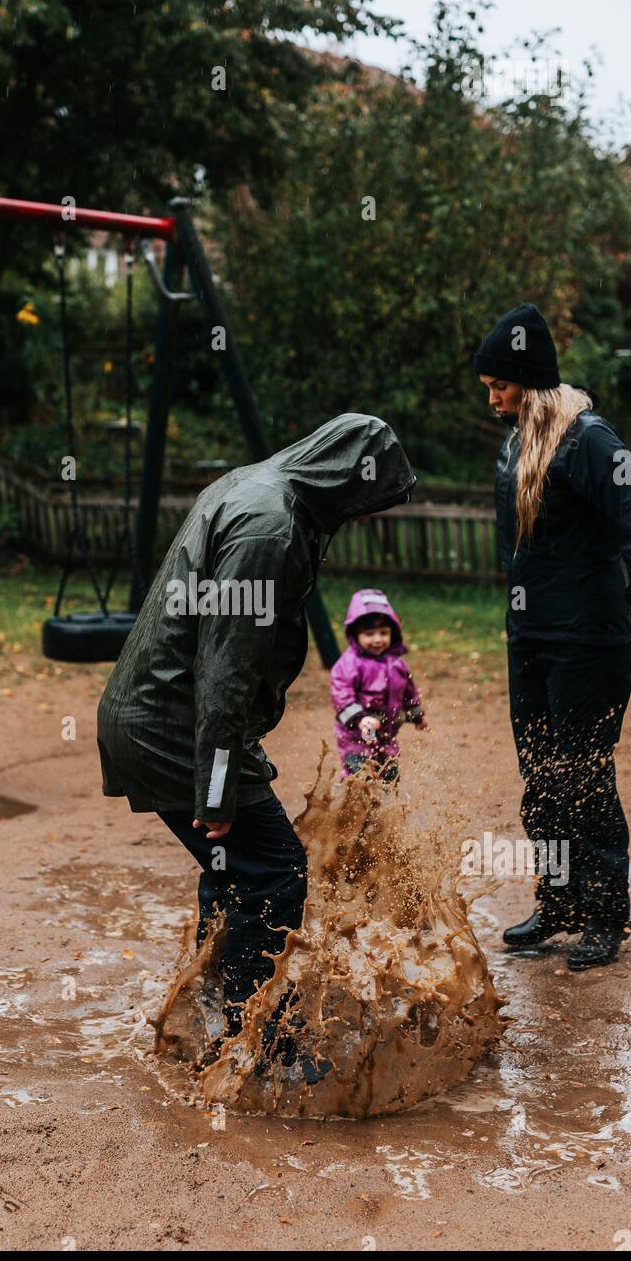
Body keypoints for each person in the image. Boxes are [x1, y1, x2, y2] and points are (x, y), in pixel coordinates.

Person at [97, 413, 416, 1049]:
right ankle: (255, 1042)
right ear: (349, 482)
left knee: (233, 868)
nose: (363, 520)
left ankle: (207, 1014)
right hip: (174, 727)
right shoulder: (269, 528)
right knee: (275, 870)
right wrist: (217, 789)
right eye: (367, 504)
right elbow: (224, 668)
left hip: (161, 716)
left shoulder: (259, 488)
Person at [475, 302, 631, 970]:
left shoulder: (590, 440)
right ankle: (560, 903)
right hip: (533, 638)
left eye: (501, 386)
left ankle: (605, 917)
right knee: (541, 780)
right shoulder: (517, 441)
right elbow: (515, 551)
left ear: (532, 380)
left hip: (591, 642)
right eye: (488, 388)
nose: (493, 399)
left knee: (584, 777)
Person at [329, 588, 427, 785]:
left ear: (393, 632)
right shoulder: (349, 664)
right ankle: (350, 810)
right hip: (355, 738)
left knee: (390, 776)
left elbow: (409, 692)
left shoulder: (396, 663)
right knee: (359, 778)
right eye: (369, 633)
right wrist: (359, 719)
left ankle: (386, 812)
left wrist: (417, 714)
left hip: (386, 736)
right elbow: (342, 696)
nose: (377, 639)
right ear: (355, 634)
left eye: (383, 633)